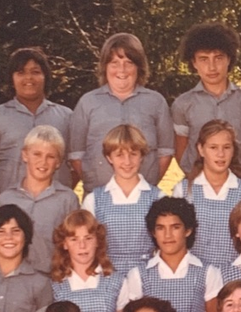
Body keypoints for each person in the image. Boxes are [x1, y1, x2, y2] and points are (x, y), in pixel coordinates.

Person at [69, 33, 173, 194]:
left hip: (144, 197)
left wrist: (145, 186)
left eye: (129, 63)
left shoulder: (156, 102)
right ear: (105, 67)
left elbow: (165, 152)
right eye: (114, 63)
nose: (122, 70)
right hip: (98, 196)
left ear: (139, 67)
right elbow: (76, 154)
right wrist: (95, 185)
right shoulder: (87, 103)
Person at [0, 47, 73, 200]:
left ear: (45, 76)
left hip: (57, 207)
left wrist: (63, 197)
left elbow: (77, 163)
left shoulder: (66, 117)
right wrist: (1, 203)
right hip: (12, 208)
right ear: (12, 79)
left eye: (35, 72)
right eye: (21, 72)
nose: (28, 78)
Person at [172, 22, 241, 181]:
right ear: (194, 62)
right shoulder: (183, 104)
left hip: (236, 181)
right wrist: (194, 176)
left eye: (218, 58)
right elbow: (181, 149)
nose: (212, 67)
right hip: (196, 182)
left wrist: (240, 178)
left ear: (229, 59)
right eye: (204, 59)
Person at [0, 125, 81, 275]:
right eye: (37, 154)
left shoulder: (67, 199)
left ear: (58, 162)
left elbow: (74, 244)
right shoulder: (6, 199)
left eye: (50, 156)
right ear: (25, 155)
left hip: (53, 278)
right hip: (14, 279)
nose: (43, 161)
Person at [173, 119, 241, 269]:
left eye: (226, 147)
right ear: (201, 149)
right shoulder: (184, 191)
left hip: (235, 274)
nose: (220, 154)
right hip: (194, 274)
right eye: (213, 147)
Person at [82, 124, 166, 274]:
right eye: (119, 155)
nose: (127, 162)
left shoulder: (158, 198)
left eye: (133, 154)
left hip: (147, 275)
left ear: (141, 156)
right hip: (106, 275)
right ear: (109, 157)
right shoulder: (94, 200)